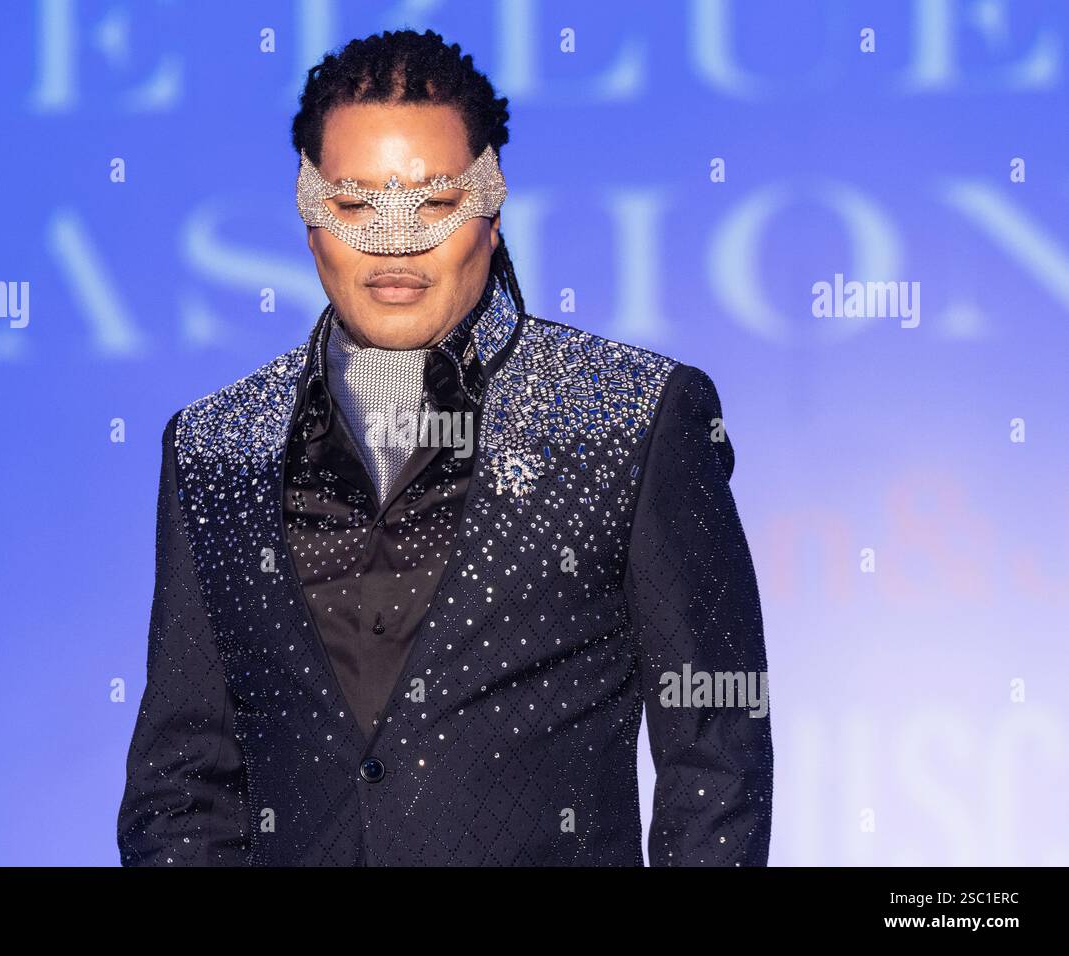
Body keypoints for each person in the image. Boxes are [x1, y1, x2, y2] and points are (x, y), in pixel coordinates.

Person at [117, 28, 772, 866]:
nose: (395, 241)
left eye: (434, 202)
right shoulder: (218, 446)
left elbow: (717, 750)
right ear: (308, 217)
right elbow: (182, 781)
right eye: (354, 203)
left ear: (492, 213)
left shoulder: (631, 416)